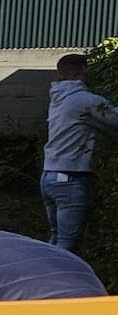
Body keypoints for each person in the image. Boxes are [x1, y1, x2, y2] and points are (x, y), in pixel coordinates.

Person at [41, 52, 118, 252]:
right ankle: (59, 282)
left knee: (56, 239)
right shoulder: (85, 100)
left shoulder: (58, 98)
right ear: (84, 70)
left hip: (49, 176)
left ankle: (43, 277)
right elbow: (114, 120)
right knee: (68, 245)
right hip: (70, 179)